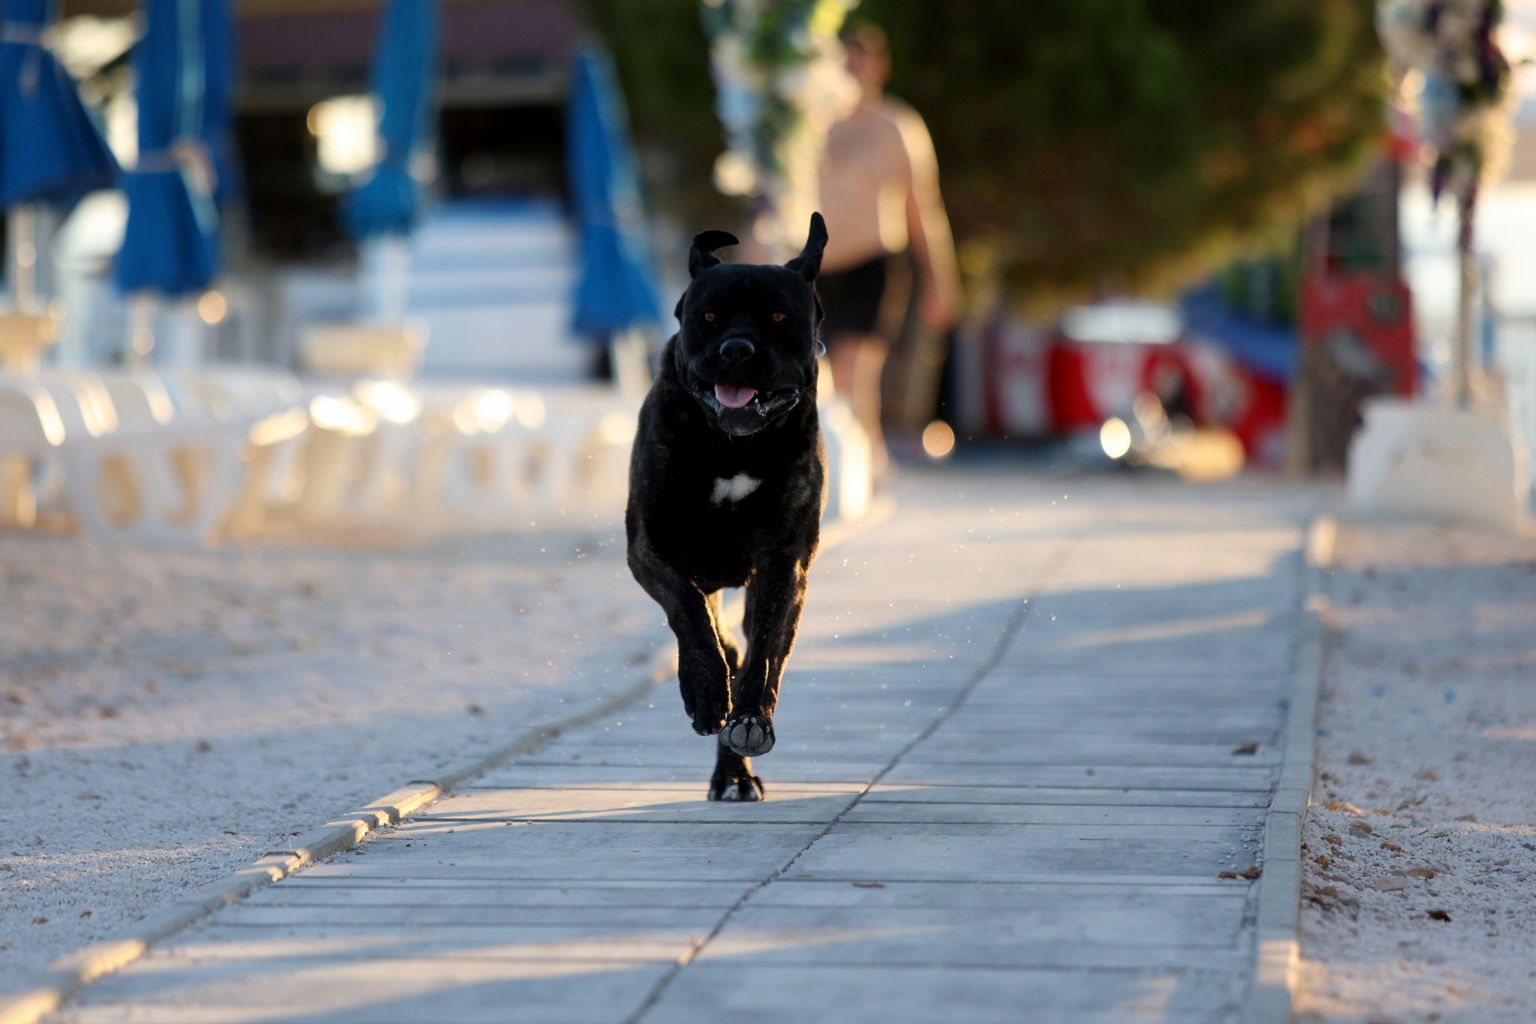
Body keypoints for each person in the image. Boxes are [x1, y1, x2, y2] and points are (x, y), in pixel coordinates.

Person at [817, 19, 962, 474]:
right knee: (816, 375)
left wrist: (941, 278)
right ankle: (840, 464)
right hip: (816, 263)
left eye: (860, 63)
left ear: (878, 68)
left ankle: (866, 465)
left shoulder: (896, 125)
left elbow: (924, 205)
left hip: (872, 259)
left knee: (855, 371)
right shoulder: (811, 123)